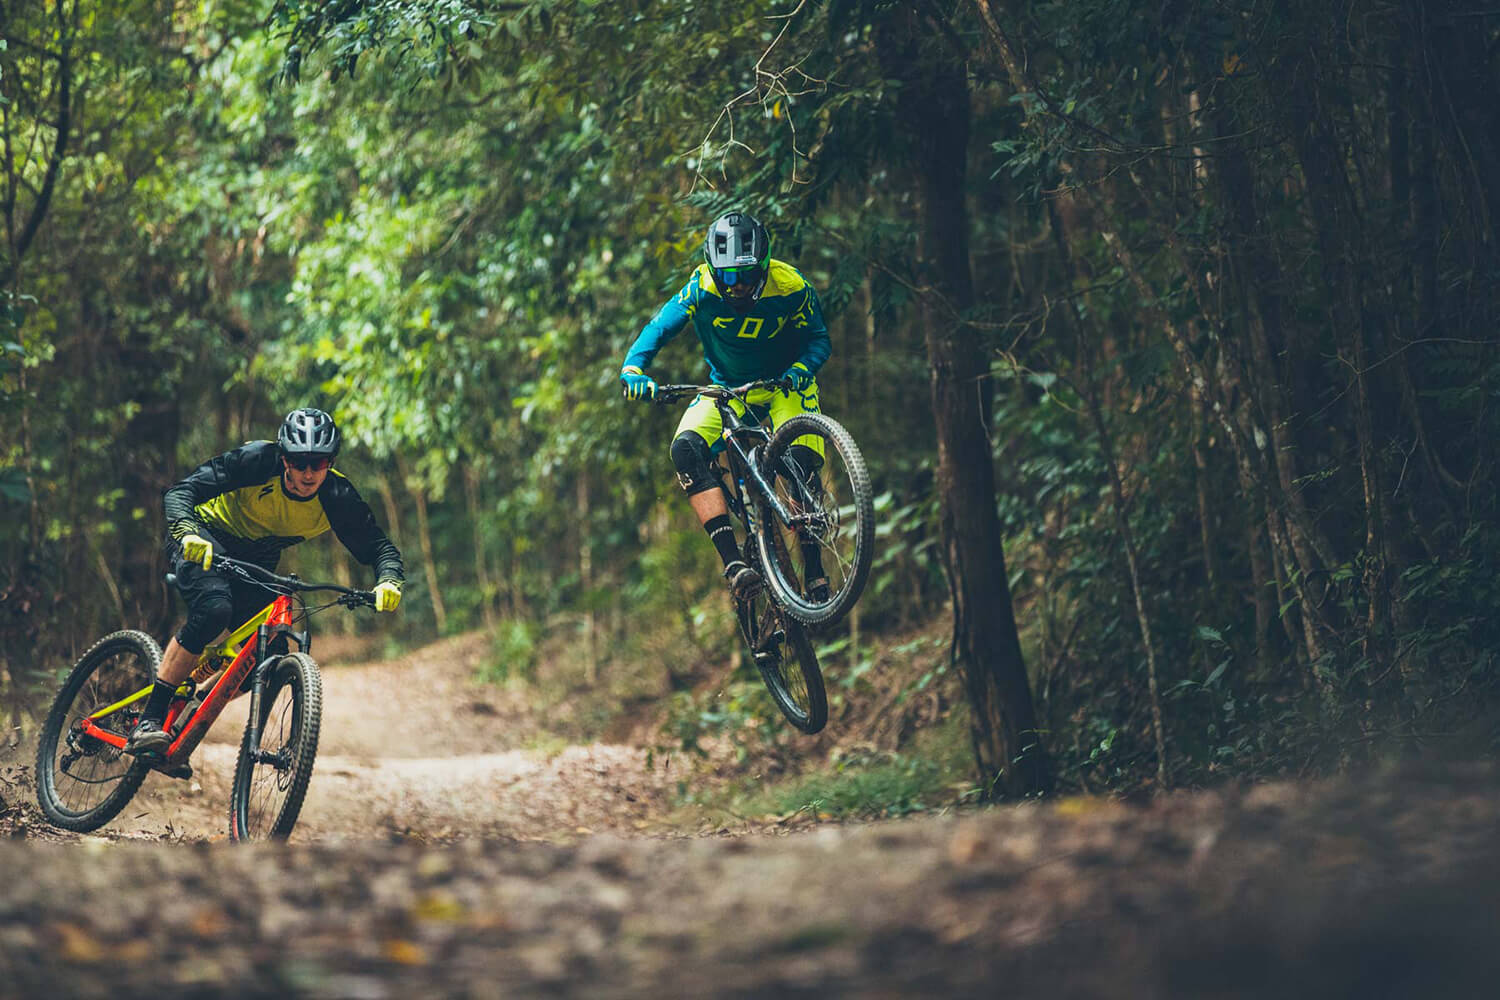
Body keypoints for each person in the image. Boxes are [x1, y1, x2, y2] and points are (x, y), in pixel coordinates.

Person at [125, 407, 404, 754]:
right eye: (299, 462)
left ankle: (189, 718)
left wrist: (389, 580)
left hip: (258, 558)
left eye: (318, 463)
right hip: (207, 537)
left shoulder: (337, 496)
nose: (307, 472)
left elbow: (379, 547)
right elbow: (181, 492)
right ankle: (149, 720)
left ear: (330, 462)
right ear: (284, 458)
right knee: (214, 609)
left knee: (268, 657)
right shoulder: (256, 461)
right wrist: (187, 533)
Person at [619, 210, 832, 602]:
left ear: (765, 267)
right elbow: (659, 328)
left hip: (784, 383)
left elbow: (819, 339)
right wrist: (634, 368)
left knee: (798, 463)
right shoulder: (700, 286)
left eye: (747, 276)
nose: (737, 286)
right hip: (727, 389)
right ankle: (735, 565)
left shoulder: (791, 286)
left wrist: (803, 368)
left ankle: (815, 567)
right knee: (685, 448)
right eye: (728, 277)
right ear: (714, 270)